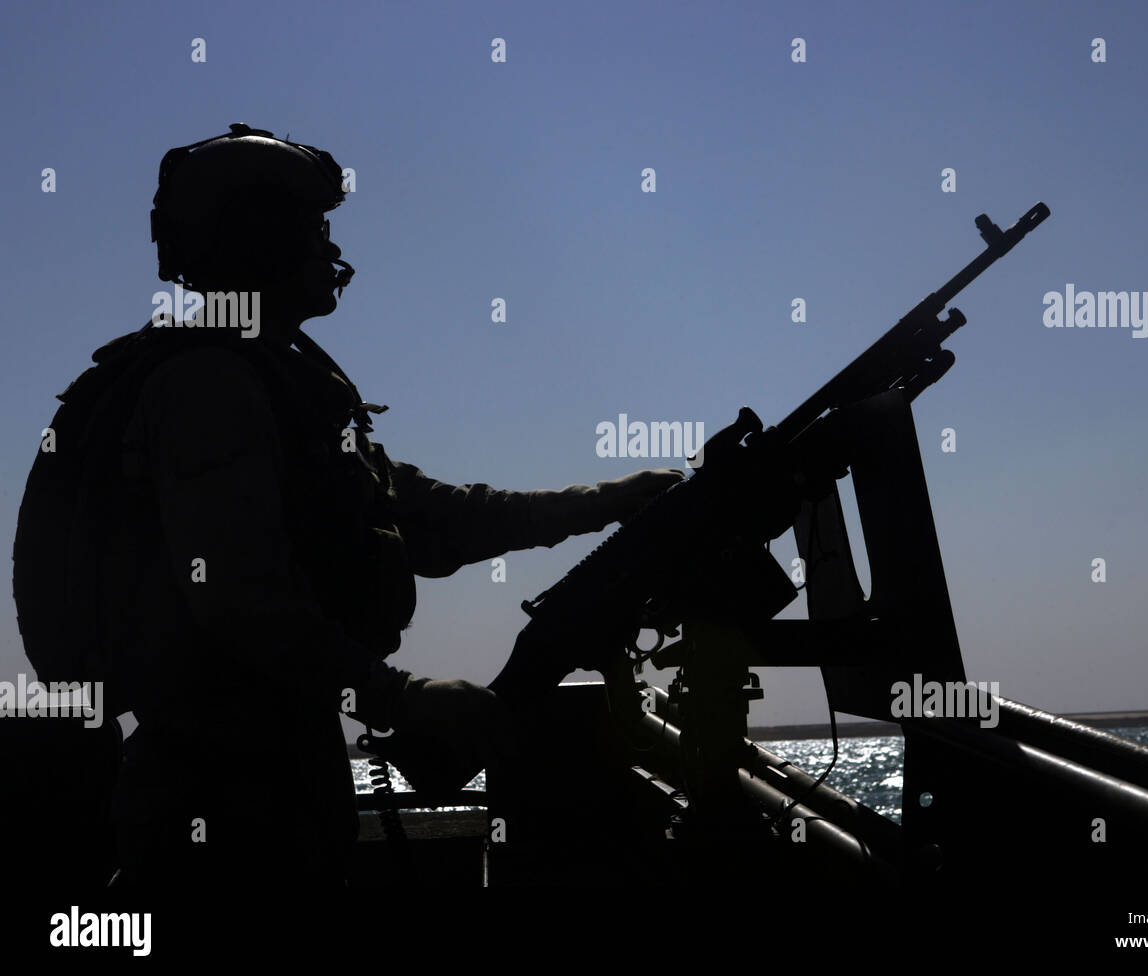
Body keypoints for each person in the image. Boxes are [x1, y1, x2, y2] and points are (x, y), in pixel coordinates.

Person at [15, 123, 681, 893]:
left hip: (274, 752)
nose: (328, 250)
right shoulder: (212, 384)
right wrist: (394, 698)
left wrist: (612, 502)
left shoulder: (273, 379)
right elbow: (237, 599)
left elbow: (430, 517)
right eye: (311, 228)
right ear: (258, 239)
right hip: (225, 779)